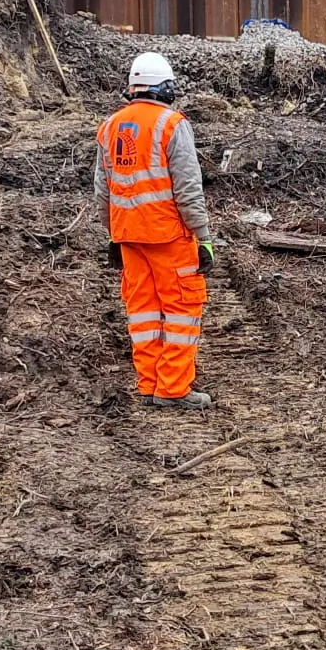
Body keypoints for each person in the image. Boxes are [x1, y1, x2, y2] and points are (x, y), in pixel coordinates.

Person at [95, 52, 216, 409]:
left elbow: (103, 189)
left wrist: (113, 234)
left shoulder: (110, 126)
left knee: (143, 311)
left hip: (128, 236)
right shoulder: (171, 124)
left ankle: (148, 383)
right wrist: (204, 237)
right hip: (168, 235)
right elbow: (188, 188)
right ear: (166, 87)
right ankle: (174, 388)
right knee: (181, 309)